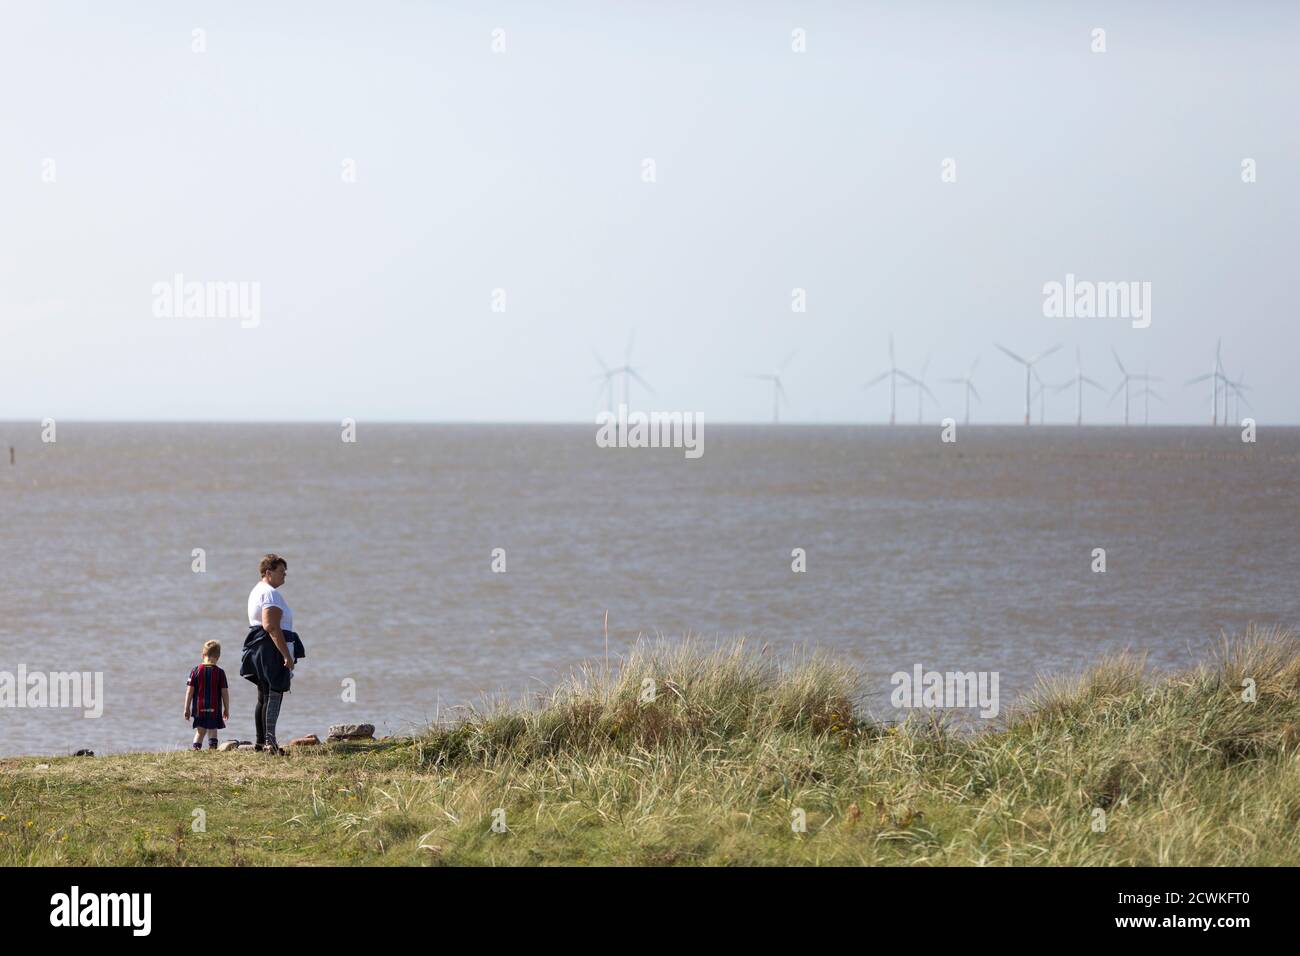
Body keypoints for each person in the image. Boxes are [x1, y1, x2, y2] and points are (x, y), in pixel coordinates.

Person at [240, 554, 305, 755]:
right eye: (281, 571)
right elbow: (271, 626)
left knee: (264, 695)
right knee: (274, 694)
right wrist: (285, 654)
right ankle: (270, 744)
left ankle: (261, 743)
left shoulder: (258, 590)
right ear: (268, 572)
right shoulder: (269, 594)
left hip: (259, 646)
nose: (284, 575)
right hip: (269, 647)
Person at [184, 640, 230, 750]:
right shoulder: (220, 672)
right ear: (218, 657)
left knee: (200, 732)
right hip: (214, 708)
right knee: (213, 730)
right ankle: (212, 750)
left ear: (203, 655)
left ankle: (195, 749)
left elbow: (189, 692)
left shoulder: (195, 671)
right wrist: (226, 708)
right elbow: (225, 692)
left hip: (199, 708)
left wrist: (186, 708)